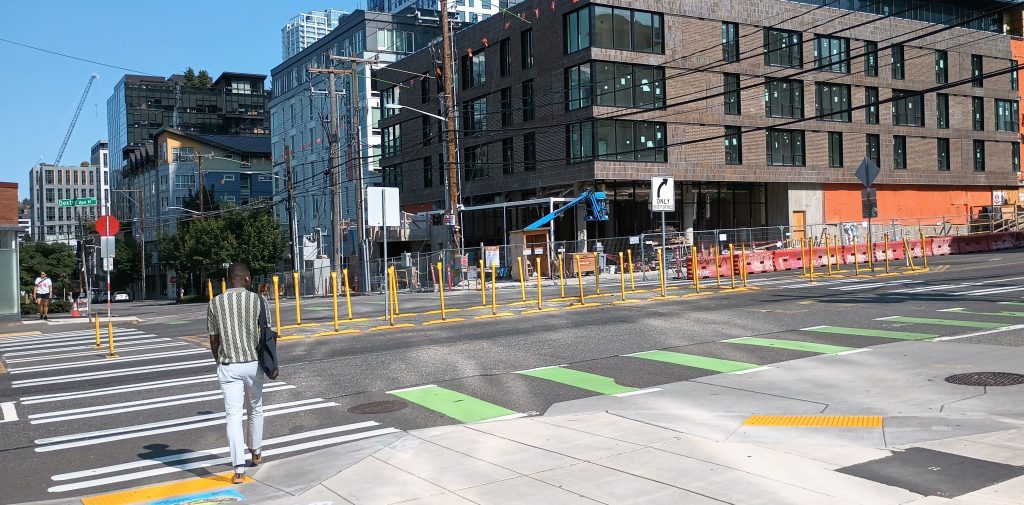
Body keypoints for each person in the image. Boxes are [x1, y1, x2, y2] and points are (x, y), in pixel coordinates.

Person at [207, 263, 274, 484]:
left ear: (229, 279)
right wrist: (270, 362)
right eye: (250, 277)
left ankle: (238, 468)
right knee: (255, 408)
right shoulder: (259, 300)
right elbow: (267, 334)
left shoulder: (215, 303)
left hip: (229, 365)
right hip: (253, 363)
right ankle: (256, 451)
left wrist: (219, 360)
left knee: (233, 416)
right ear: (245, 278)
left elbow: (214, 339)